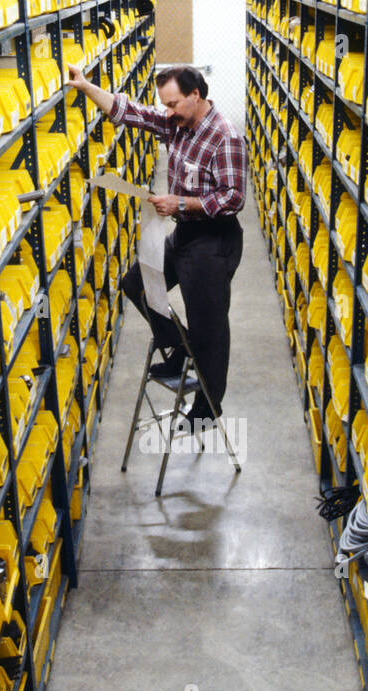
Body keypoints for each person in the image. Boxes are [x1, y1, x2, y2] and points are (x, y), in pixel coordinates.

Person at [66, 62, 246, 423]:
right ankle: (180, 347)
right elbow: (129, 111)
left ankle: (207, 409)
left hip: (214, 239)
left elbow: (234, 198)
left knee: (209, 324)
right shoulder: (177, 123)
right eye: (164, 105)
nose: (168, 112)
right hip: (185, 233)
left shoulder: (225, 137)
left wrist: (180, 202)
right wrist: (86, 87)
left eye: (174, 103)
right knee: (138, 284)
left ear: (196, 96)